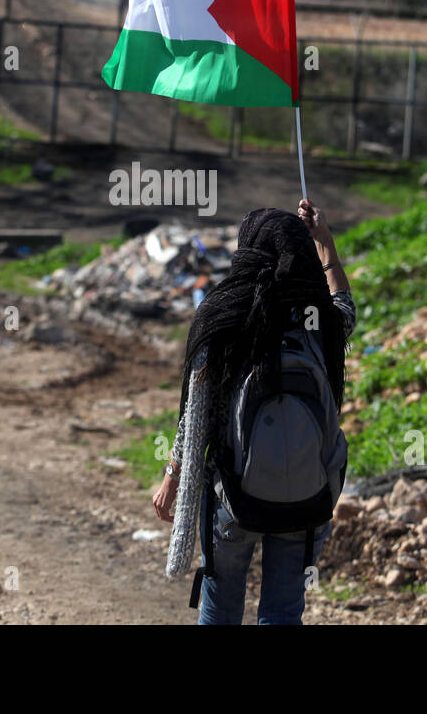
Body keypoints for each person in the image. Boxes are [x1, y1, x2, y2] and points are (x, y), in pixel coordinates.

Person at [153, 199, 355, 625]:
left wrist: (173, 476)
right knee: (283, 612)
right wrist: (325, 244)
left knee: (221, 606)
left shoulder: (224, 317)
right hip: (306, 496)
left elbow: (195, 416)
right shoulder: (320, 325)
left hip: (233, 495)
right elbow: (344, 303)